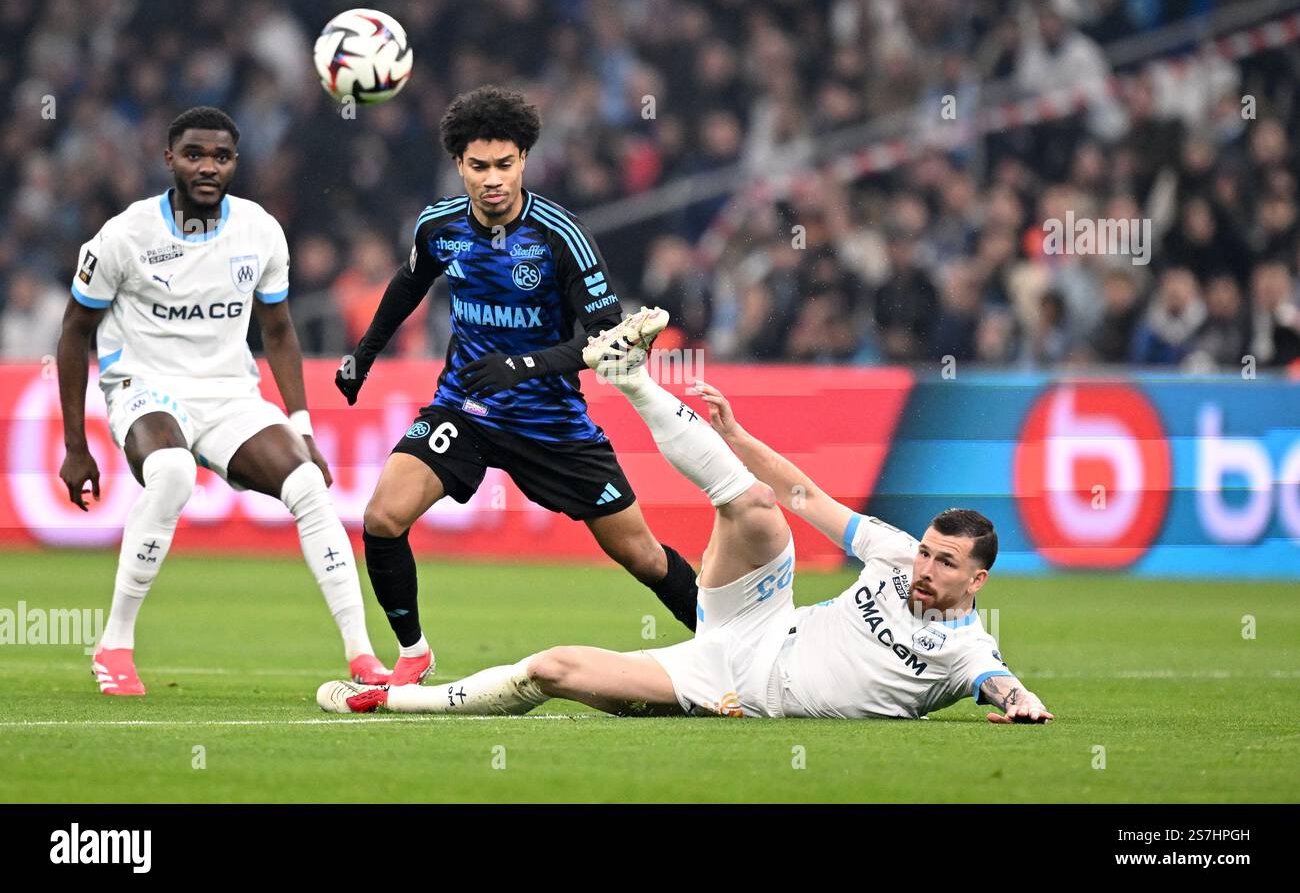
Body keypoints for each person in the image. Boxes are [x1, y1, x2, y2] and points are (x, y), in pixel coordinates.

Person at [319, 308, 1054, 724]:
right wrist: (737, 438)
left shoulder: (966, 653)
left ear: (978, 581)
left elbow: (1005, 685)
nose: (925, 568)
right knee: (762, 510)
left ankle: (398, 701)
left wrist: (1023, 707)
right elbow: (806, 498)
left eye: (945, 563)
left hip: (726, 684)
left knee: (550, 669)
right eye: (928, 552)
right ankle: (633, 378)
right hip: (760, 621)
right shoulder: (897, 555)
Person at [334, 86, 700, 687]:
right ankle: (413, 654)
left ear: (524, 159)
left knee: (641, 555)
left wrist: (523, 367)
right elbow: (409, 282)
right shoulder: (439, 226)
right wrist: (364, 354)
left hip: (551, 422)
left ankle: (732, 648)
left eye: (505, 164)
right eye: (479, 167)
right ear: (460, 165)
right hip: (466, 408)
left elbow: (611, 336)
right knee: (382, 517)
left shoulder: (560, 235)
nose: (493, 179)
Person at [57, 106, 390, 695]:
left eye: (221, 156)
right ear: (169, 160)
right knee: (171, 472)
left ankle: (363, 657)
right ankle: (115, 644)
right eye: (194, 155)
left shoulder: (259, 230)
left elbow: (281, 332)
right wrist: (75, 446)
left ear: (235, 162)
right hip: (144, 386)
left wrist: (302, 426)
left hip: (229, 392)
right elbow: (74, 332)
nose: (208, 166)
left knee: (309, 486)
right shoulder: (125, 235)